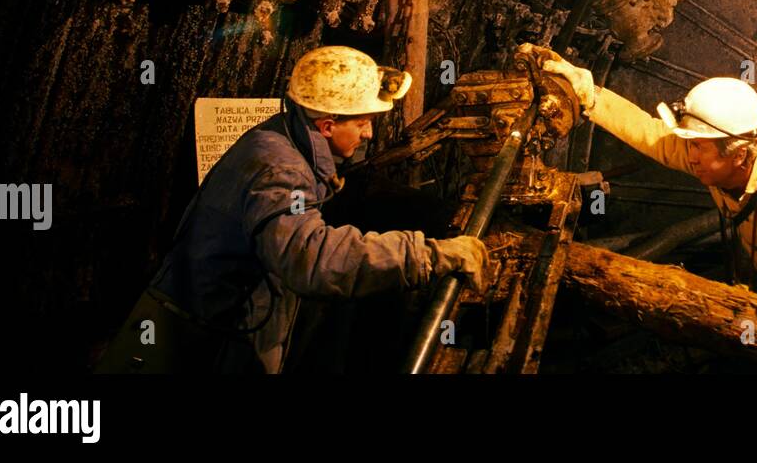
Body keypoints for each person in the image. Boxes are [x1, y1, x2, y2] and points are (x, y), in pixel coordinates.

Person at [97, 45, 488, 373]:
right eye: (364, 122)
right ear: (328, 125)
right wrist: (428, 254)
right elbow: (310, 259)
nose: (369, 132)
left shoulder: (283, 135)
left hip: (213, 326)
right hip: (188, 344)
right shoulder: (279, 168)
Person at [538, 48, 757, 347]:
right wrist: (590, 94)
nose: (690, 157)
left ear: (740, 155)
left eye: (697, 146)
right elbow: (653, 135)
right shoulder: (720, 163)